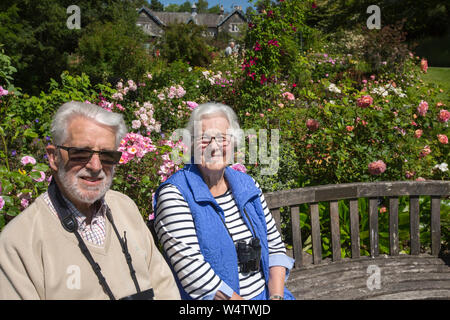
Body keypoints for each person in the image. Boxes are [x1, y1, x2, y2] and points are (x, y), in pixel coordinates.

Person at [0, 101, 180, 300]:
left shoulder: (125, 207)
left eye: (107, 155)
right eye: (80, 153)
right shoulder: (19, 242)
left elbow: (164, 286)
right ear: (53, 157)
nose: (95, 166)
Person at [153, 102, 295, 300]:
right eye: (204, 139)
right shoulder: (175, 194)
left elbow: (274, 246)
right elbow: (196, 277)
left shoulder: (247, 184)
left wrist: (277, 296)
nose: (214, 146)